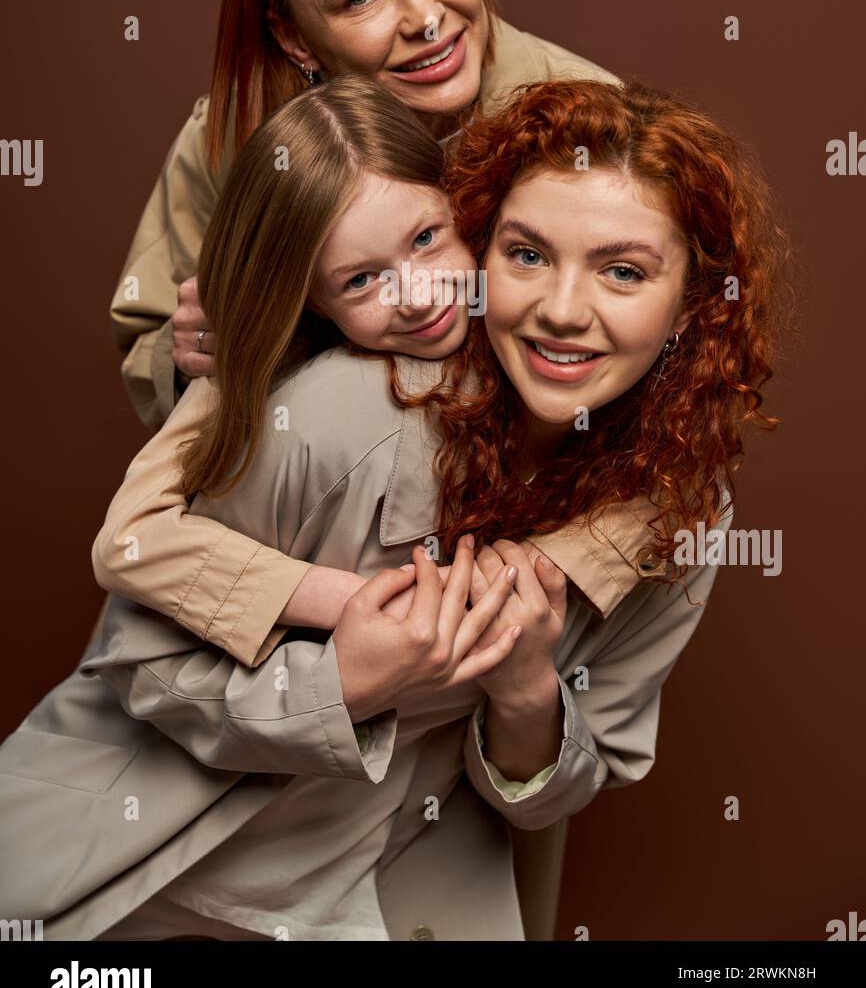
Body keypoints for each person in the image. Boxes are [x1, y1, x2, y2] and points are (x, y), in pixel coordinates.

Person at [0, 78, 791, 942]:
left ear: (692, 304)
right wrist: (345, 680)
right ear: (485, 245)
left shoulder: (685, 510)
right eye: (526, 255)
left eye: (625, 272)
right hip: (148, 870)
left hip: (377, 895)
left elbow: (551, 796)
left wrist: (525, 689)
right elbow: (137, 659)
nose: (563, 311)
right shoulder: (345, 411)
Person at [110, 0, 621, 429]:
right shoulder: (234, 136)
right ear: (295, 37)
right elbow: (146, 336)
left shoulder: (589, 123)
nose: (427, 19)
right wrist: (192, 349)